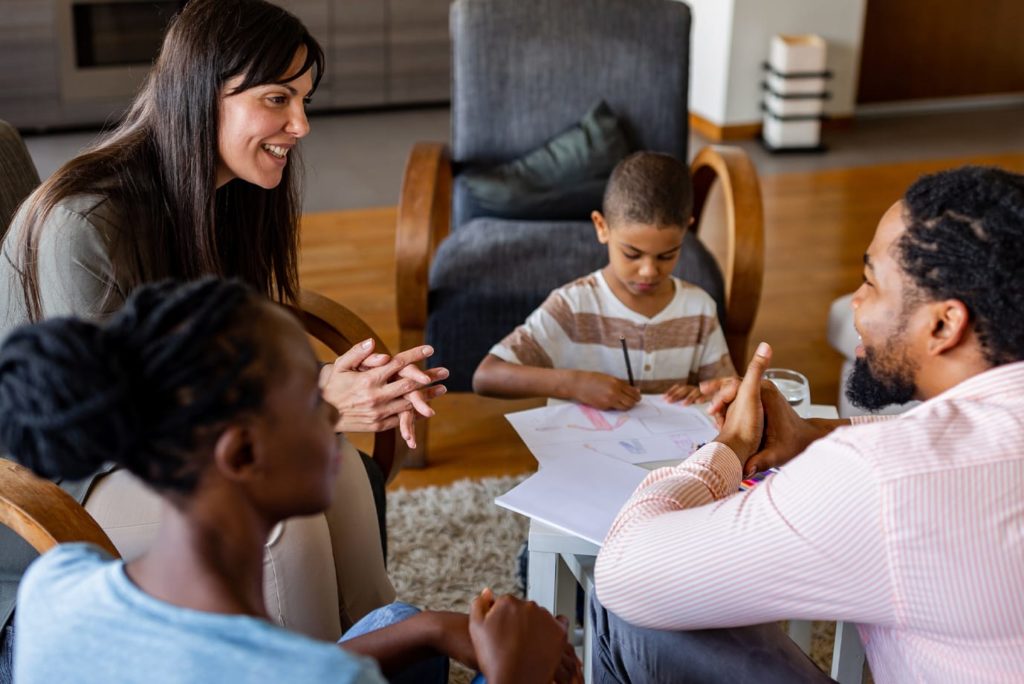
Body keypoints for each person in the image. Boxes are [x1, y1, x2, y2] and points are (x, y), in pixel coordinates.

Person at [0, 0, 443, 646]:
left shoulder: (220, 199)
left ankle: (390, 650)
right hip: (57, 486)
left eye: (305, 100)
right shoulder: (84, 222)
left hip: (167, 445)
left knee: (342, 473)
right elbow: (110, 419)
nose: (301, 124)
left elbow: (224, 362)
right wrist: (314, 400)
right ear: (202, 96)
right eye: (277, 99)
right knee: (280, 526)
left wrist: (351, 384)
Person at [0, 278, 581, 684]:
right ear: (244, 451)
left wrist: (428, 629)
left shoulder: (54, 584)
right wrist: (514, 675)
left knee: (404, 626)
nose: (334, 422)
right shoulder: (325, 677)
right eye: (312, 400)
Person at [590, 165, 1024, 682]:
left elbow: (624, 572)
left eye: (869, 282)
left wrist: (726, 448)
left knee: (635, 610)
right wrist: (814, 437)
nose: (856, 304)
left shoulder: (881, 478)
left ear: (944, 324)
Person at [472, 151, 735, 411]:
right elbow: (486, 377)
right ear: (601, 227)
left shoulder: (699, 309)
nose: (649, 271)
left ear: (686, 231)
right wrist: (574, 383)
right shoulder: (572, 306)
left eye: (667, 255)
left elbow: (724, 389)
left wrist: (701, 394)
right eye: (632, 254)